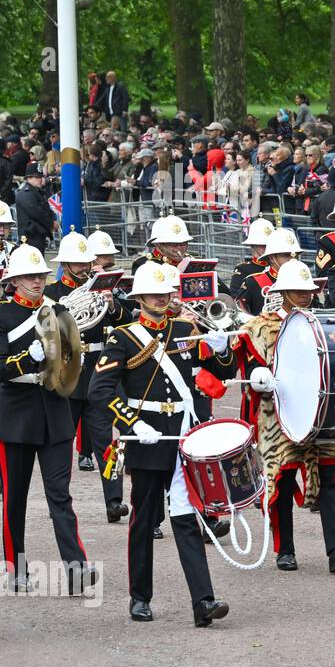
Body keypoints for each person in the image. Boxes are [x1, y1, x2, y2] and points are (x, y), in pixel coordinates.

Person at [87, 261, 234, 625]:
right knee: (143, 518)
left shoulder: (185, 328)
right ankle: (140, 596)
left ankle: (203, 602)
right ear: (140, 297)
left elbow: (224, 371)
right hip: (147, 438)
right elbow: (99, 390)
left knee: (186, 519)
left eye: (166, 292)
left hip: (182, 436)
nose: (161, 298)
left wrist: (221, 348)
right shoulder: (123, 337)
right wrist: (132, 422)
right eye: (154, 293)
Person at [233, 260, 335, 575]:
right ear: (283, 292)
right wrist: (258, 373)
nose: (306, 295)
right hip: (278, 414)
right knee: (281, 479)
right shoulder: (262, 325)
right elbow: (249, 363)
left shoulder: (323, 322)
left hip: (319, 412)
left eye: (308, 290)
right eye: (298, 290)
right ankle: (285, 549)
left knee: (330, 480)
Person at [0, 244, 97, 594]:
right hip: (15, 414)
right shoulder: (3, 315)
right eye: (30, 276)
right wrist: (29, 357)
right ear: (14, 281)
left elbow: (71, 356)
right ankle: (16, 567)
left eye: (41, 275)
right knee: (15, 498)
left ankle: (76, 570)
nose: (38, 281)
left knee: (60, 495)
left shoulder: (57, 310)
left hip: (54, 409)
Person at [45, 231, 132, 523]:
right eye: (78, 263)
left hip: (96, 374)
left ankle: (115, 500)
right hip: (66, 376)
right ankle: (58, 500)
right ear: (65, 264)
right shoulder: (53, 293)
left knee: (108, 444)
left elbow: (125, 322)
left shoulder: (101, 288)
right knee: (59, 444)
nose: (85, 268)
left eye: (87, 262)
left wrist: (112, 302)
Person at [238, 226, 304, 316]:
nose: (292, 259)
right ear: (272, 258)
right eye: (286, 255)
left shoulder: (302, 279)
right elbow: (241, 313)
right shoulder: (252, 283)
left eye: (295, 255)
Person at [13, 166, 54, 254]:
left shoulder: (35, 192)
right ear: (29, 178)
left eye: (40, 177)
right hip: (30, 236)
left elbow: (45, 209)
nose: (40, 179)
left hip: (36, 234)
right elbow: (36, 213)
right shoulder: (26, 193)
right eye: (37, 177)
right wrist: (51, 223)